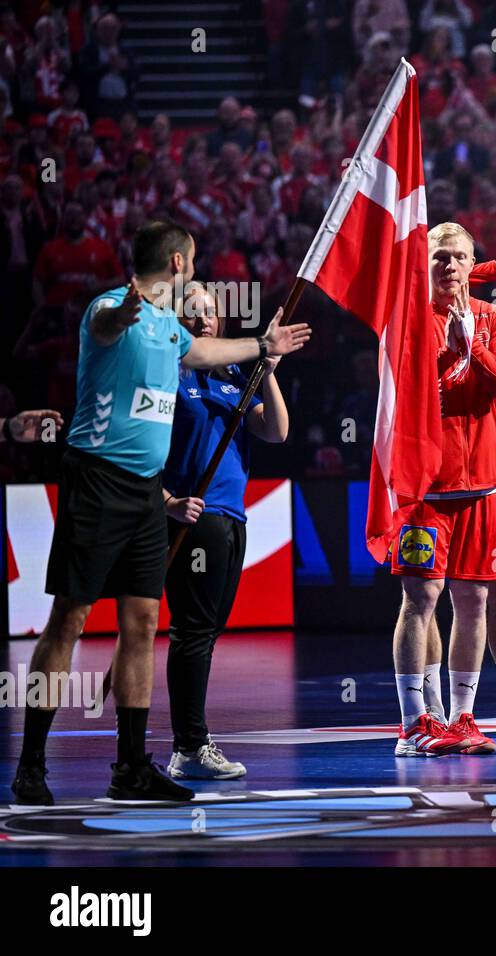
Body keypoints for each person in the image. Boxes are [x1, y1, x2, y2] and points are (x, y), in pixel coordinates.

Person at [11, 219, 310, 805]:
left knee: (142, 625)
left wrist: (263, 349)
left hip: (147, 493)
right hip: (95, 481)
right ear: (177, 264)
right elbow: (103, 324)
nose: (194, 271)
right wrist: (121, 315)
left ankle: (131, 768)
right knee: (68, 619)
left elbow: (206, 350)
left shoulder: (176, 337)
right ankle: (30, 765)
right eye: (192, 262)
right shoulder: (108, 307)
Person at [389, 221, 496, 758]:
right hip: (424, 489)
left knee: (475, 598)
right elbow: (411, 392)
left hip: (480, 486)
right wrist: (450, 357)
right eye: (439, 257)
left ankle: (461, 717)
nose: (450, 267)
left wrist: (471, 349)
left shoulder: (495, 318)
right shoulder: (404, 317)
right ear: (423, 262)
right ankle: (413, 722)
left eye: (460, 258)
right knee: (420, 599)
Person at [160, 282, 292, 780]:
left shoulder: (237, 374)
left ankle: (190, 742)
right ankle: (189, 746)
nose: (203, 320)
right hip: (193, 520)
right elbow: (137, 451)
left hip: (232, 518)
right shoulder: (166, 374)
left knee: (207, 633)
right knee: (192, 632)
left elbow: (276, 431)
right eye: (192, 313)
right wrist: (168, 504)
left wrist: (269, 374)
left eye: (211, 313)